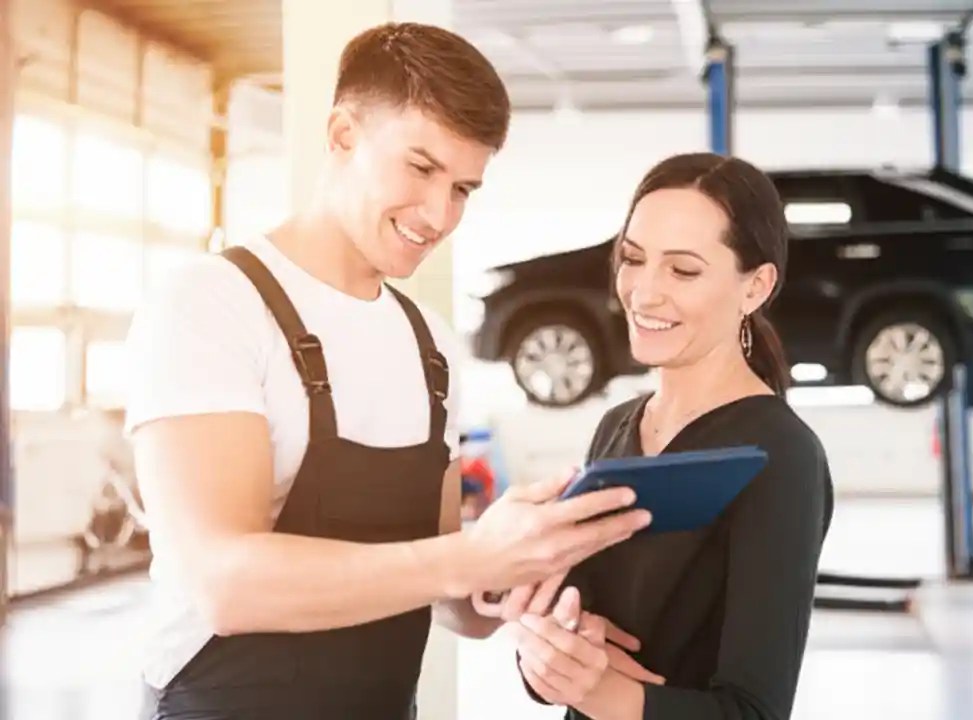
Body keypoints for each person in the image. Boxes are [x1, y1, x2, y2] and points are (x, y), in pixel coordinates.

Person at [123, 23, 651, 720]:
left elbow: (444, 591)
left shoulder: (428, 345)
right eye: (421, 168)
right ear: (342, 134)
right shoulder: (210, 303)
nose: (439, 215)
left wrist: (520, 577)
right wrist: (470, 556)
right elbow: (225, 585)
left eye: (464, 187)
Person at [502, 152, 835, 719]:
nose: (644, 292)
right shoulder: (617, 426)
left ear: (755, 287)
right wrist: (546, 651)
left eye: (682, 270)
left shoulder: (780, 456)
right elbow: (573, 622)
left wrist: (597, 690)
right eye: (633, 259)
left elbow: (752, 712)